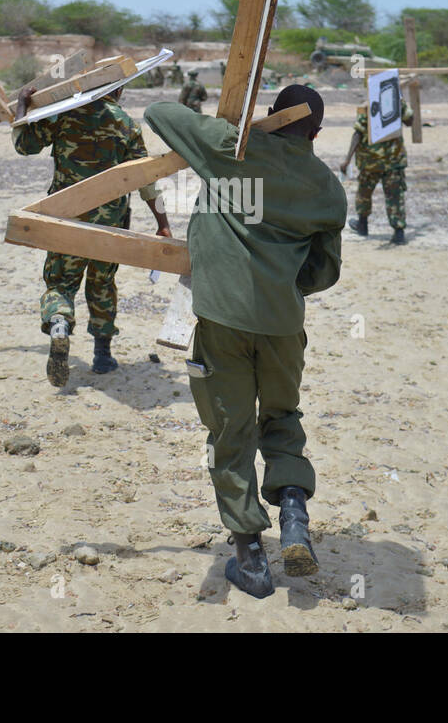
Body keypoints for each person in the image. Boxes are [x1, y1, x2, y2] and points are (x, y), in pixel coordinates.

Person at [144, 84, 345, 599]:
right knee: (281, 417)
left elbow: (158, 110)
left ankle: (251, 559)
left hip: (222, 322)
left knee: (230, 432)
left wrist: (243, 128)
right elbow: (322, 272)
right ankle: (294, 512)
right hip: (282, 326)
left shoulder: (230, 151)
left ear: (272, 118)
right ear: (316, 133)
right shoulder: (326, 187)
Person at [12, 85, 171, 386]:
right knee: (102, 282)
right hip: (110, 221)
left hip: (65, 218)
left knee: (60, 282)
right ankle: (102, 354)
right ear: (119, 88)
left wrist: (22, 106)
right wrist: (161, 222)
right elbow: (147, 180)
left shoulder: (63, 116)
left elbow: (25, 146)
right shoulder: (126, 123)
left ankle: (59, 324)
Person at [340, 97, 413, 244]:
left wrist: (348, 159)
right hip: (393, 160)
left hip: (370, 160)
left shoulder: (368, 103)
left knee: (364, 193)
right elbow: (410, 121)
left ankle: (362, 225)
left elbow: (358, 133)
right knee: (394, 196)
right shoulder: (397, 101)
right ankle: (398, 232)